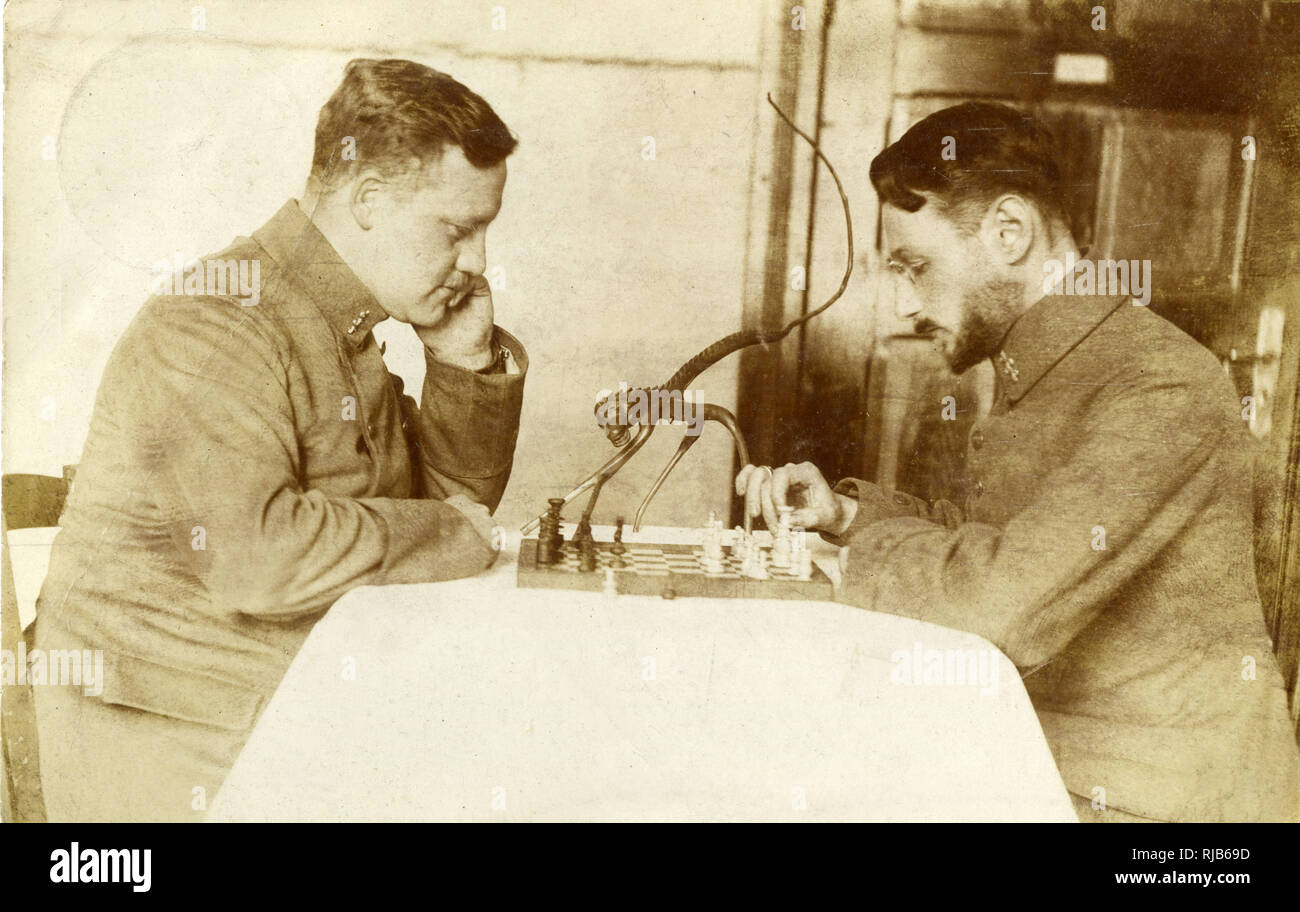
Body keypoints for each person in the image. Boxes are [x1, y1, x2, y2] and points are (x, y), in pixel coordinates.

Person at [737, 101, 1300, 822]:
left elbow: (1000, 602)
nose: (905, 303)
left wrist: (852, 561)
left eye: (916, 266)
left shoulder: (1160, 383)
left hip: (1171, 822)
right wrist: (847, 514)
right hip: (1057, 774)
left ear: (1010, 232)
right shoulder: (1049, 360)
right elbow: (1006, 540)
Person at [32, 59, 528, 821]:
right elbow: (260, 560)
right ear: (368, 200)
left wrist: (462, 363)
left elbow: (446, 524)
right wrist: (449, 533)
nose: (478, 263)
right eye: (459, 230)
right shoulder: (217, 320)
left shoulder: (336, 323)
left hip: (273, 699)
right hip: (166, 740)